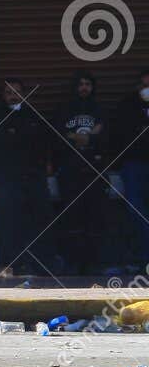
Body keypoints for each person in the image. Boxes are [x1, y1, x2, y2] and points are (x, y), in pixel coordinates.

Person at [0, 77, 51, 273]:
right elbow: (2, 140)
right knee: (10, 220)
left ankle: (39, 262)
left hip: (33, 175)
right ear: (2, 96)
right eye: (8, 93)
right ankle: (12, 262)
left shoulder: (33, 115)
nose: (13, 96)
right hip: (7, 176)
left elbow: (42, 142)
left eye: (16, 92)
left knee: (39, 218)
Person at [53, 71, 108, 275]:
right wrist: (88, 137)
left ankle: (94, 263)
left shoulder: (100, 110)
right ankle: (73, 262)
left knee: (94, 217)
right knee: (71, 217)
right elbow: (57, 135)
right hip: (70, 171)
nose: (84, 87)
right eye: (80, 84)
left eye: (87, 84)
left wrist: (81, 138)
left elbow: (107, 137)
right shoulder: (63, 110)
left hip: (95, 170)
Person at [112, 69, 149, 269]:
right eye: (144, 86)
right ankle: (142, 258)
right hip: (134, 165)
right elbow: (122, 135)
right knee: (136, 211)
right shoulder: (128, 106)